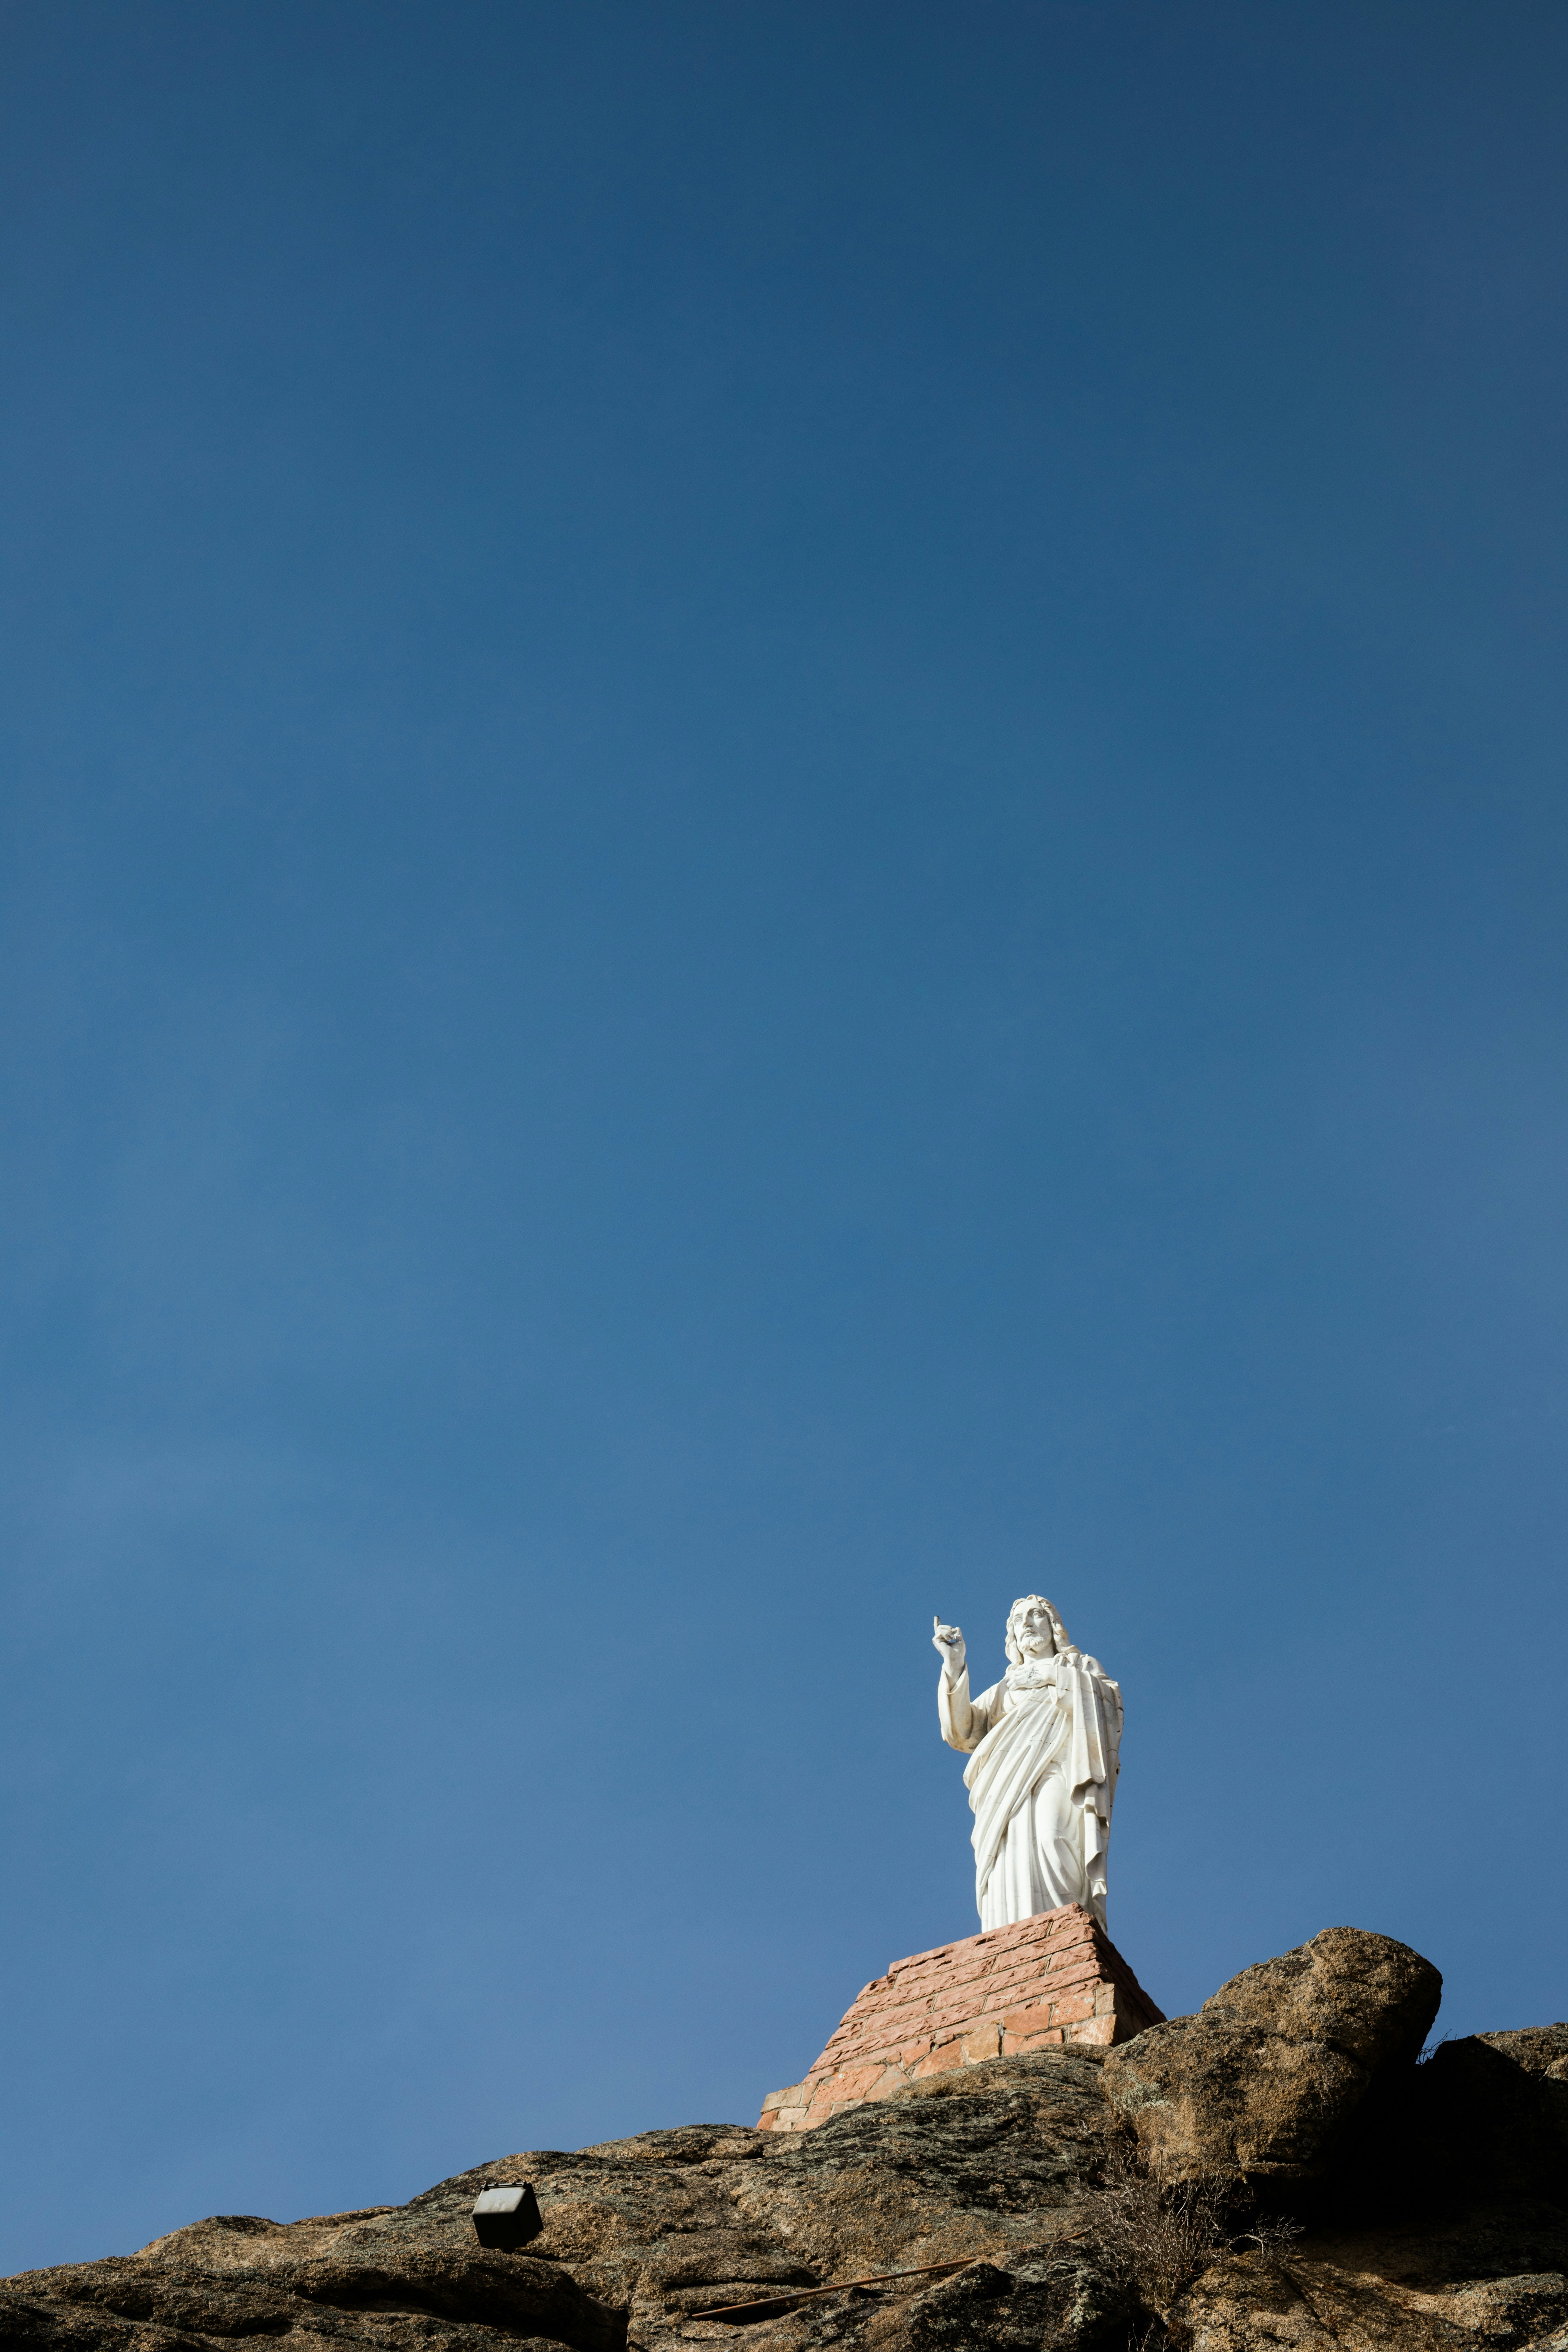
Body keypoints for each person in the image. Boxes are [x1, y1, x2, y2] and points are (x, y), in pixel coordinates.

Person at [932, 1595, 1122, 1930]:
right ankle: (1013, 1938)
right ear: (1013, 1637)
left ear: (1053, 1627)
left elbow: (1108, 1705)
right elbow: (962, 1732)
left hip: (1059, 1770)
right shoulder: (1006, 1688)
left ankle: (1065, 1934)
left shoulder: (1079, 1668)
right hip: (1002, 1786)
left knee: (1054, 1839)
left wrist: (1053, 1678)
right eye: (1019, 1620)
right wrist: (955, 1664)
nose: (1028, 1624)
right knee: (1009, 1855)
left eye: (1036, 1615)